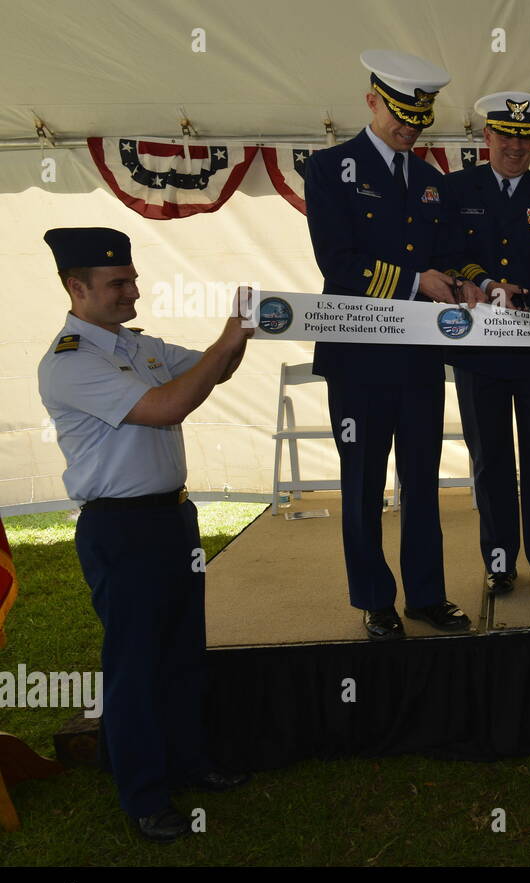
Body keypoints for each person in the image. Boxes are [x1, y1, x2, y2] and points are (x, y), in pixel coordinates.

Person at [37, 227, 252, 842]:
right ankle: (144, 795)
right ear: (76, 288)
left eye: (131, 278)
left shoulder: (132, 343)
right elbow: (166, 407)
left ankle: (188, 762)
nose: (134, 290)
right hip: (121, 528)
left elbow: (216, 371)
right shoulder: (72, 360)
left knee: (183, 651)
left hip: (171, 518)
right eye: (117, 283)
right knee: (134, 665)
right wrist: (226, 341)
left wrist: (247, 326)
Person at [305, 49, 481, 641]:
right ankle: (375, 598)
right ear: (372, 101)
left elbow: (449, 259)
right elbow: (338, 261)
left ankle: (427, 595)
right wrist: (416, 282)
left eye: (419, 120)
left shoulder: (434, 183)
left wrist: (467, 283)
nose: (409, 128)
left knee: (423, 480)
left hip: (420, 358)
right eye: (400, 116)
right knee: (362, 483)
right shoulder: (330, 169)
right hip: (358, 358)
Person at [441, 92, 530, 599]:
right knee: (490, 460)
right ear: (487, 138)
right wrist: (488, 282)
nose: (515, 146)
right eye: (505, 136)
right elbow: (451, 254)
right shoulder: (457, 190)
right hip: (480, 352)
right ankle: (499, 563)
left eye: (524, 137)